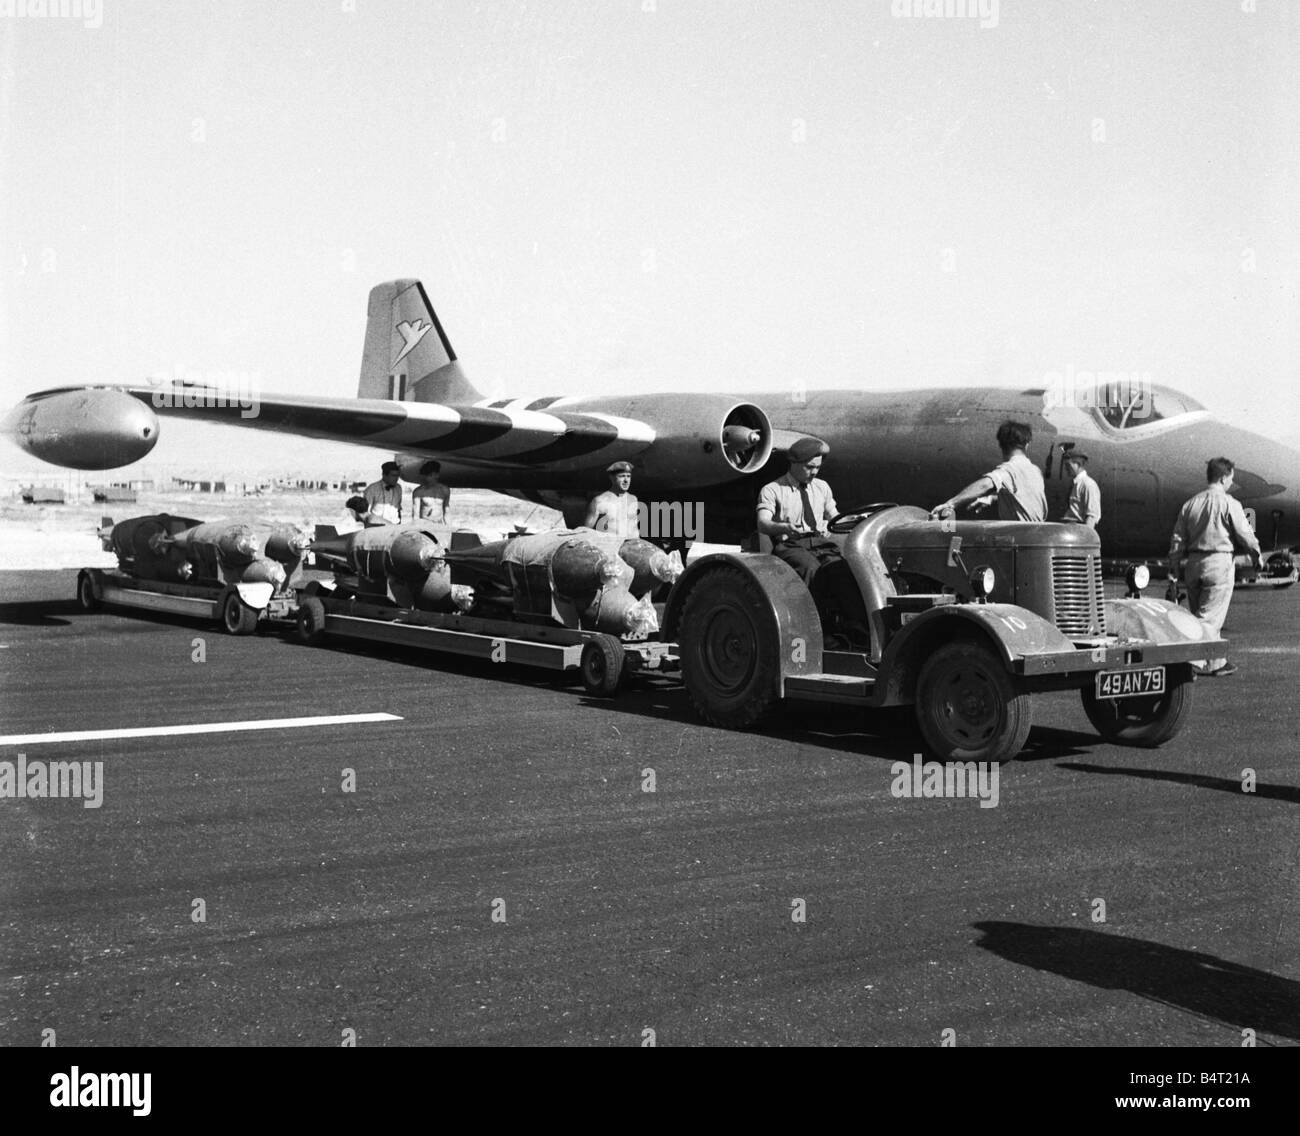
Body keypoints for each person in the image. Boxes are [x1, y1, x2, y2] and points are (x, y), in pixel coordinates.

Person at [756, 436, 867, 647]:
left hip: (819, 543)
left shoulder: (822, 487)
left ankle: (856, 627)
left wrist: (853, 520)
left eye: (817, 467)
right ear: (794, 464)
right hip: (790, 544)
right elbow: (763, 523)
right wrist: (783, 527)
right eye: (809, 467)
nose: (814, 472)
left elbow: (834, 516)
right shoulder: (772, 490)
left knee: (841, 568)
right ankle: (816, 632)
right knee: (811, 570)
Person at [1167, 457, 1262, 677]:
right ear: (1222, 477)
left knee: (1201, 614)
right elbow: (1245, 535)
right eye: (1231, 479)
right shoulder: (1230, 503)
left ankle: (1216, 662)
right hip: (1218, 563)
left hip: (1193, 564)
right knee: (1208, 619)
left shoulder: (1190, 504)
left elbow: (1178, 538)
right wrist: (1256, 555)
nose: (1231, 483)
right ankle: (1188, 664)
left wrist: (1174, 566)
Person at [930, 420, 1047, 522]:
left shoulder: (1009, 469)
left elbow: (986, 484)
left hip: (1020, 538)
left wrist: (951, 504)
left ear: (1001, 444)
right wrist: (991, 498)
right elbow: (1020, 494)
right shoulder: (1035, 471)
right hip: (1039, 536)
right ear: (1027, 445)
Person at [584, 461, 641, 539]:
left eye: (628, 476)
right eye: (622, 476)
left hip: (631, 546)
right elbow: (585, 531)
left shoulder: (633, 499)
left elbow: (634, 527)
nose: (626, 480)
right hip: (611, 547)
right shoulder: (599, 501)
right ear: (612, 478)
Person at [1059, 452, 1102, 530]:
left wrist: (1085, 538)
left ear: (1078, 464)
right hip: (1070, 530)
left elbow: (1091, 517)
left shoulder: (1088, 484)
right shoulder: (1075, 484)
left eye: (1068, 465)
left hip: (1078, 531)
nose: (1066, 468)